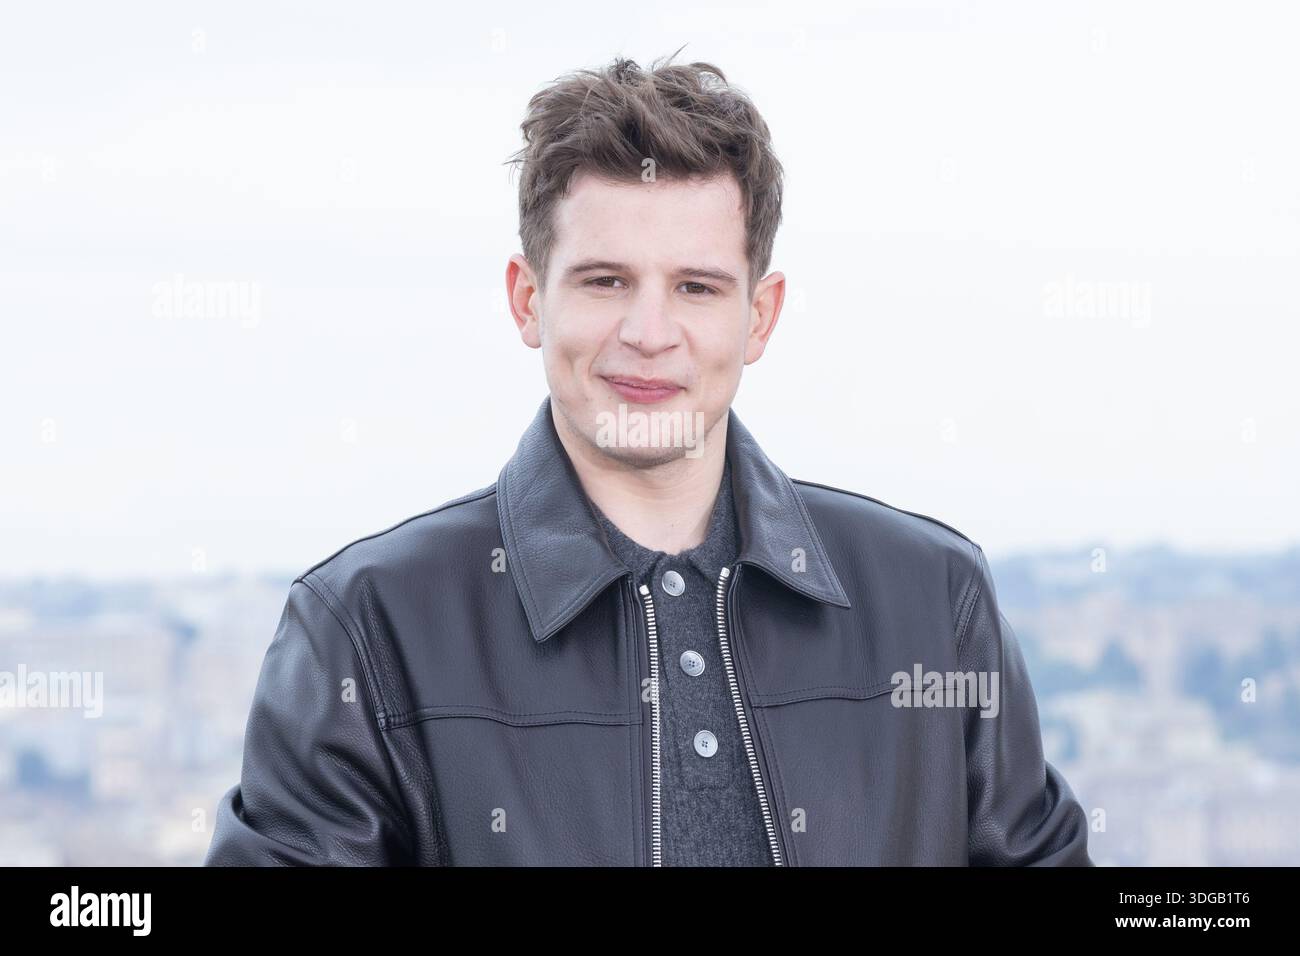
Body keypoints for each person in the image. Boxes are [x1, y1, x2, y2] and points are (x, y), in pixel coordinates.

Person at [204, 51, 1092, 866]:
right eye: (605, 281)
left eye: (696, 287)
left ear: (759, 317)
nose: (649, 334)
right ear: (527, 300)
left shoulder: (933, 600)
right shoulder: (367, 628)